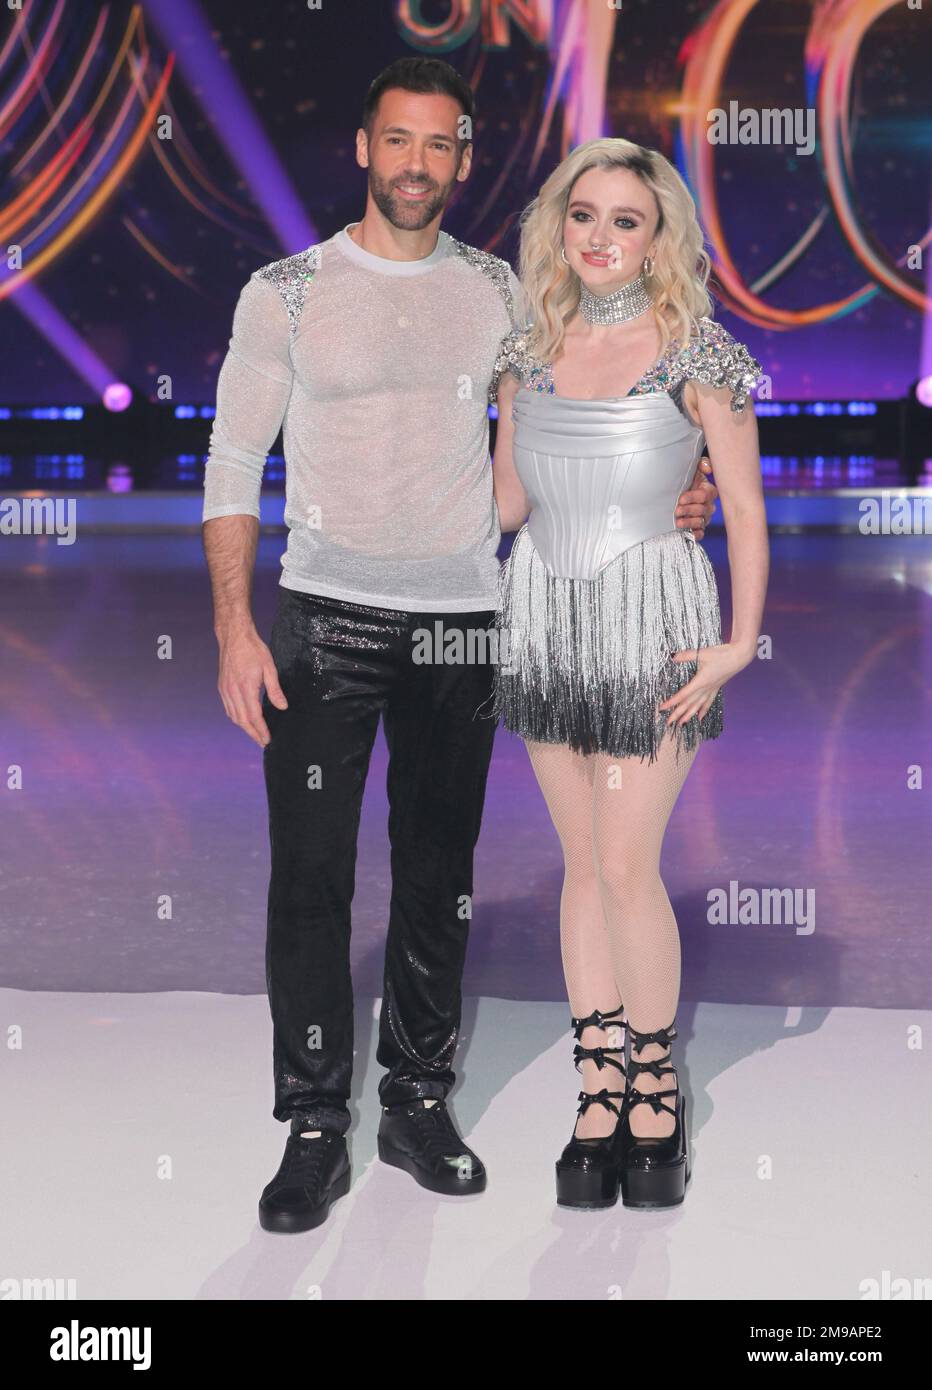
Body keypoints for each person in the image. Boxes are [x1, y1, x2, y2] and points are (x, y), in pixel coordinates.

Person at [201, 59, 719, 1233]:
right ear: (362, 147)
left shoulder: (501, 294)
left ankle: (417, 1101)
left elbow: (592, 420)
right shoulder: (283, 291)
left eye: (438, 148)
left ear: (465, 160)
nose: (415, 166)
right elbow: (234, 464)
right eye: (398, 142)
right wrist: (233, 627)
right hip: (321, 618)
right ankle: (314, 1124)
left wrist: (669, 504)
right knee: (313, 880)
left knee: (439, 878)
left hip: (462, 622)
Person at [487, 138, 768, 1210]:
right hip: (544, 621)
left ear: (660, 243)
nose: (600, 237)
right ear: (559, 225)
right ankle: (594, 1086)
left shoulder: (700, 355)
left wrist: (737, 643)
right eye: (584, 215)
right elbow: (508, 509)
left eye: (626, 221)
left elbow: (739, 508)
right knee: (579, 864)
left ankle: (654, 1084)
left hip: (654, 627)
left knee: (624, 864)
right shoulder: (526, 351)